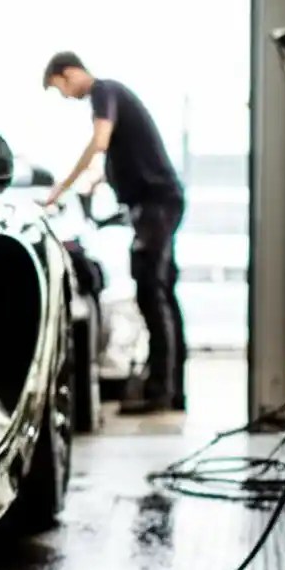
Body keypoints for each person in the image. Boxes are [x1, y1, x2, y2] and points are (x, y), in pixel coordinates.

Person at [42, 52, 187, 414]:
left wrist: (62, 187)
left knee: (152, 292)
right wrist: (96, 183)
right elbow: (117, 157)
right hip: (158, 203)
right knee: (162, 291)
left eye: (61, 88)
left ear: (70, 73)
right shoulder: (116, 95)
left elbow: (100, 142)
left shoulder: (104, 90)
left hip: (155, 205)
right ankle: (171, 390)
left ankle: (161, 392)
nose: (66, 97)